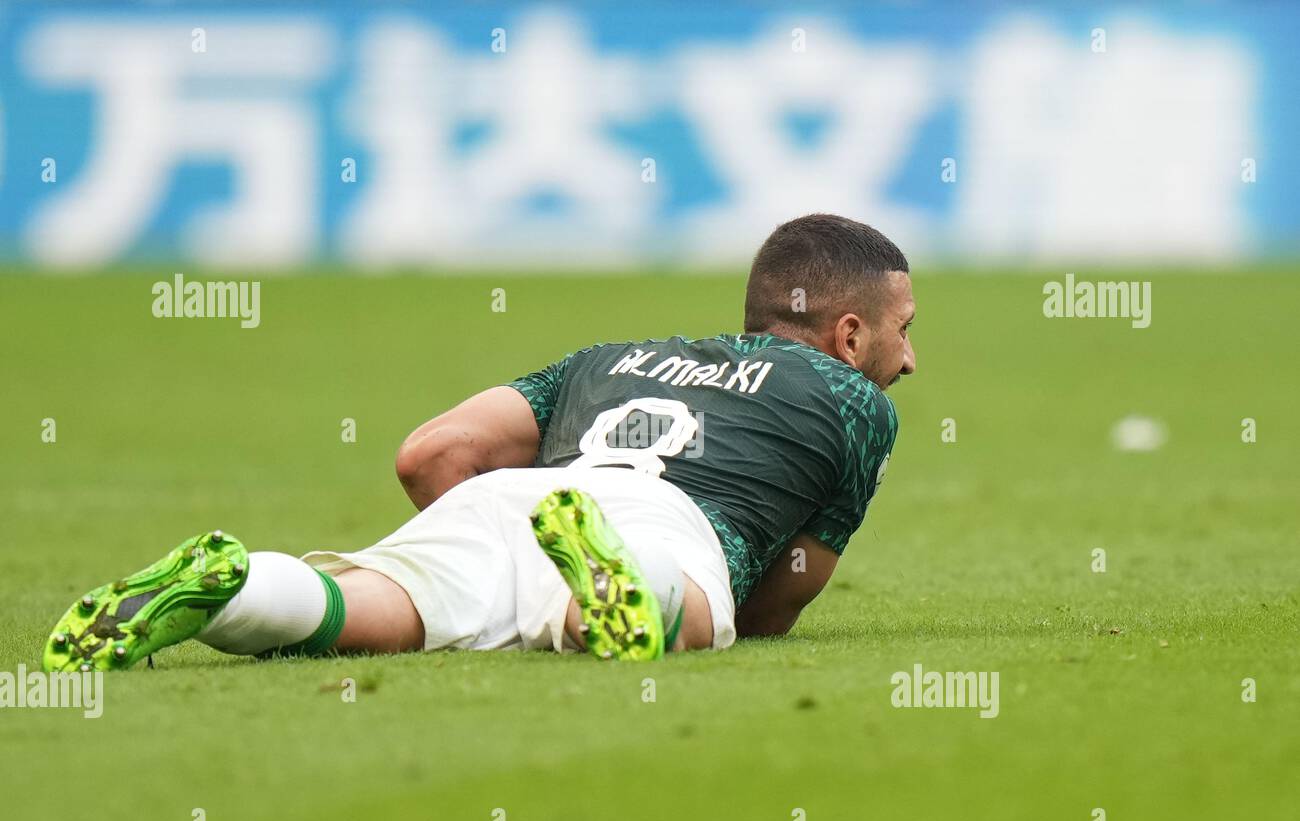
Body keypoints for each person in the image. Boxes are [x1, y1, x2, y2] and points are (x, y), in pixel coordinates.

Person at [42, 214, 917, 671]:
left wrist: (507, 545)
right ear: (847, 336)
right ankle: (614, 592)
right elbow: (775, 605)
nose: (908, 358)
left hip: (513, 501)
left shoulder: (607, 358)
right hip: (660, 521)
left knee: (360, 609)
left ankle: (232, 590)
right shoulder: (855, 403)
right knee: (681, 615)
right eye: (901, 331)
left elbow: (431, 452)